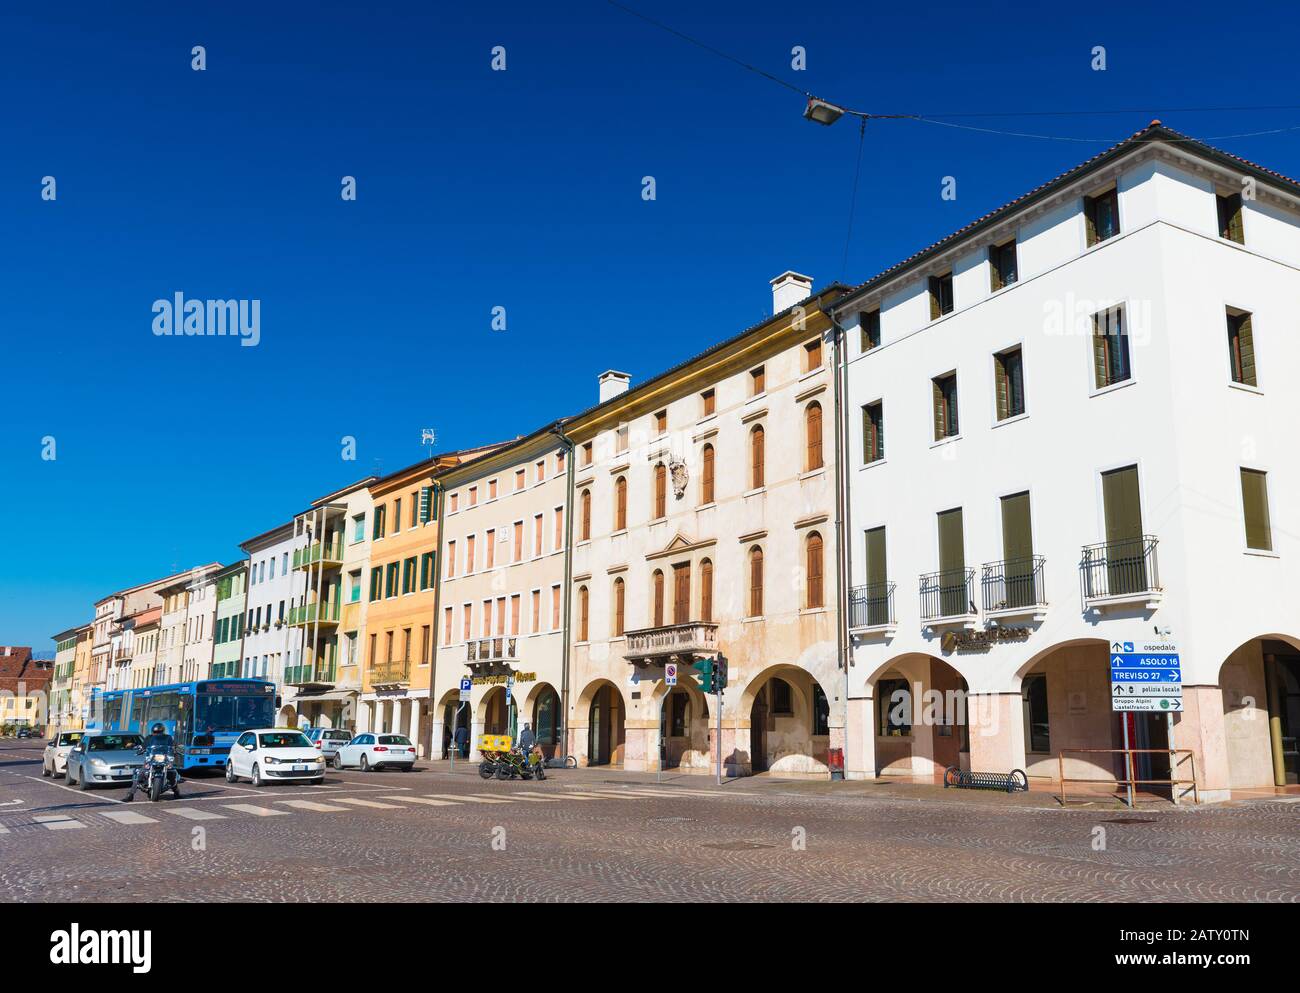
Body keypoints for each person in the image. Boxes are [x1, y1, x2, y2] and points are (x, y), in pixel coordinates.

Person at [126, 722, 177, 801]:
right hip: (151, 759)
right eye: (155, 732)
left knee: (172, 773)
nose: (157, 734)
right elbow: (143, 746)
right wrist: (139, 748)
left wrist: (175, 749)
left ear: (162, 731)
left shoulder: (168, 738)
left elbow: (172, 745)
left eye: (158, 732)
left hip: (163, 758)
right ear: (153, 732)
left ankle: (177, 792)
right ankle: (130, 795)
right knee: (139, 774)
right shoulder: (149, 738)